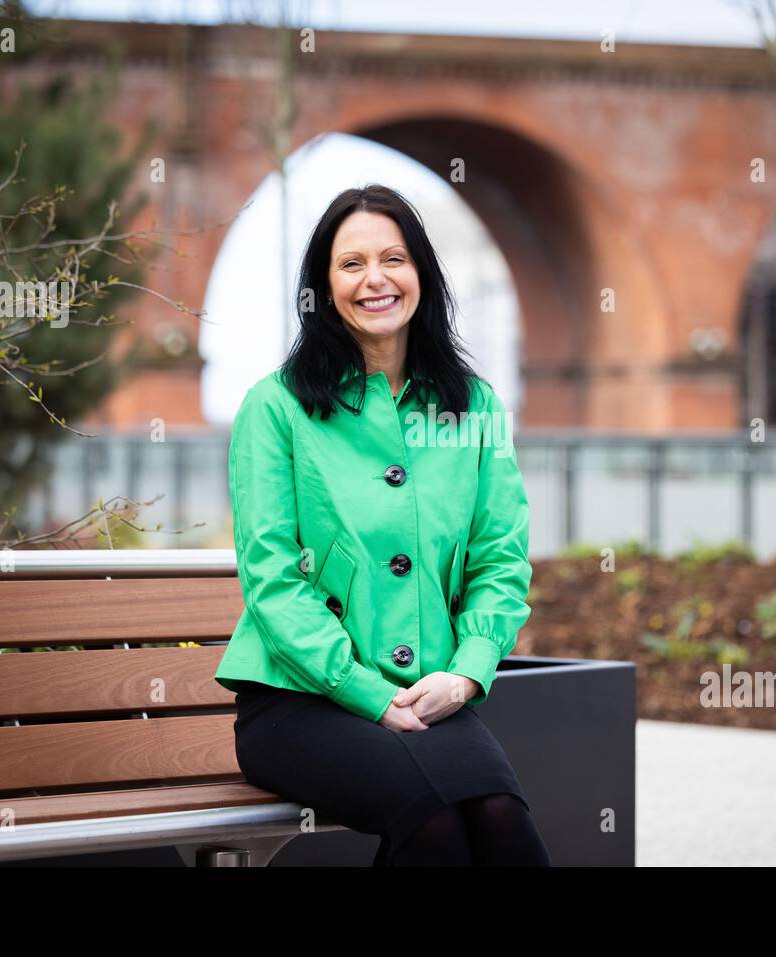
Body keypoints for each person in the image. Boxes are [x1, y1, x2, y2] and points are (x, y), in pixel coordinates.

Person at [216, 183, 551, 867]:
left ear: (421, 273)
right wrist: (365, 690)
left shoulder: (473, 408)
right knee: (433, 821)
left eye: (393, 258)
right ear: (323, 286)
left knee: (497, 815)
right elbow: (273, 580)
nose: (376, 279)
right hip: (299, 699)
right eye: (351, 263)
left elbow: (501, 560)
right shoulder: (275, 409)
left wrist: (467, 672)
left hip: (431, 692)